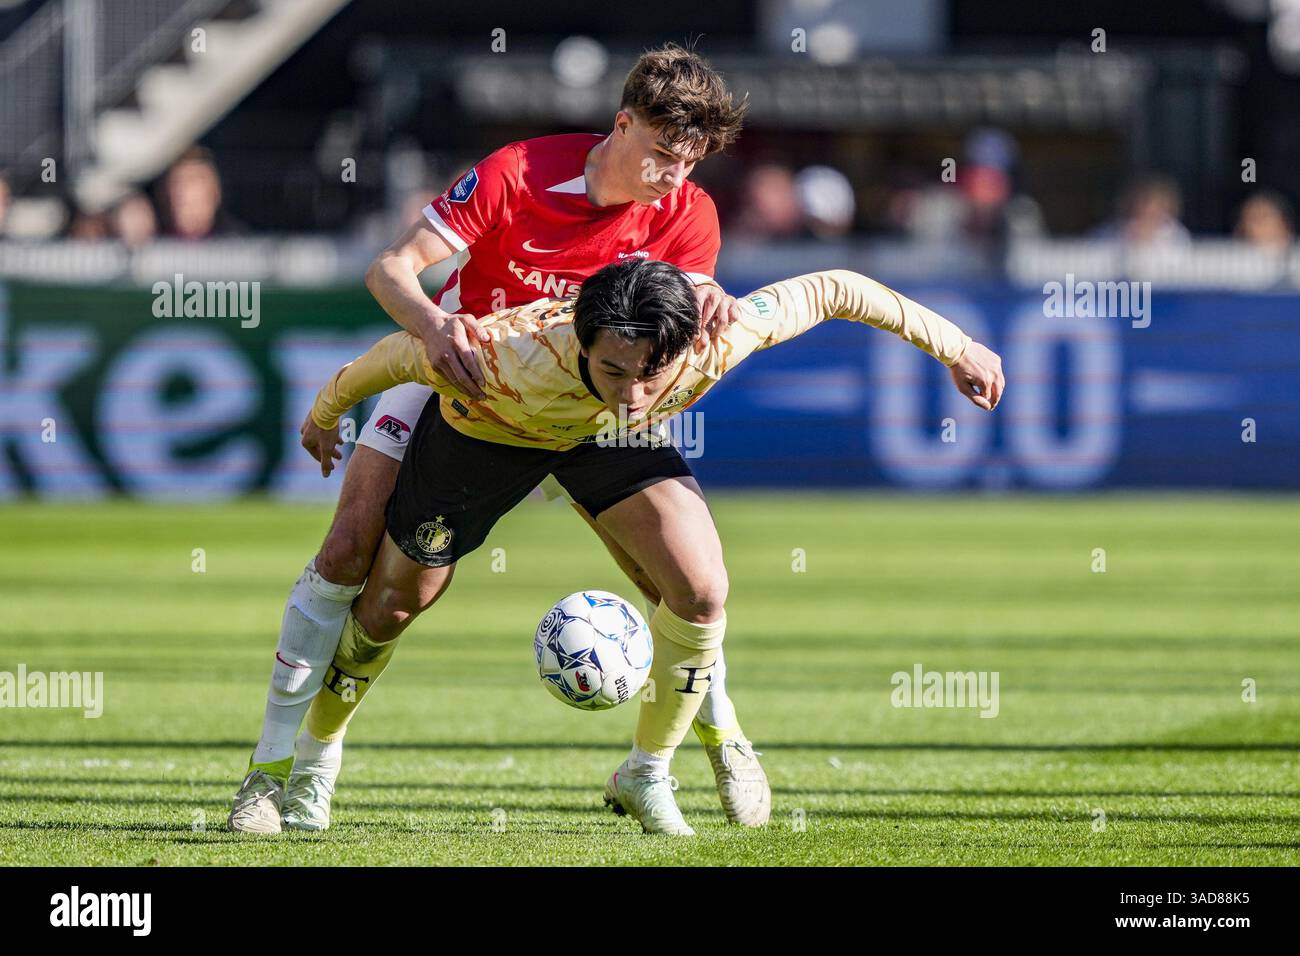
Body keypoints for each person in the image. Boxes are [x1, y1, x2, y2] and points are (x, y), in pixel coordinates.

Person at [229, 44, 771, 834]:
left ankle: (718, 743)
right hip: (468, 382)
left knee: (683, 582)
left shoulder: (687, 213)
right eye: (660, 156)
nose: (672, 178)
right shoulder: (517, 173)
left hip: (594, 403)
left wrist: (713, 300)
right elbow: (391, 269)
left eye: (688, 163)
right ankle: (286, 772)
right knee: (365, 571)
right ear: (621, 125)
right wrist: (434, 325)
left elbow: (682, 316)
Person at [290, 258, 1004, 835]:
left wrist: (958, 345)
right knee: (389, 605)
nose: (634, 392)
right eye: (614, 370)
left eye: (650, 374)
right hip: (490, 435)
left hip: (601, 440)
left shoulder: (717, 336)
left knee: (700, 589)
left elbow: (836, 289)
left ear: (686, 345)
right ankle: (315, 762)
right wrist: (326, 414)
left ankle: (647, 771)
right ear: (582, 343)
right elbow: (394, 357)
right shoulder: (514, 353)